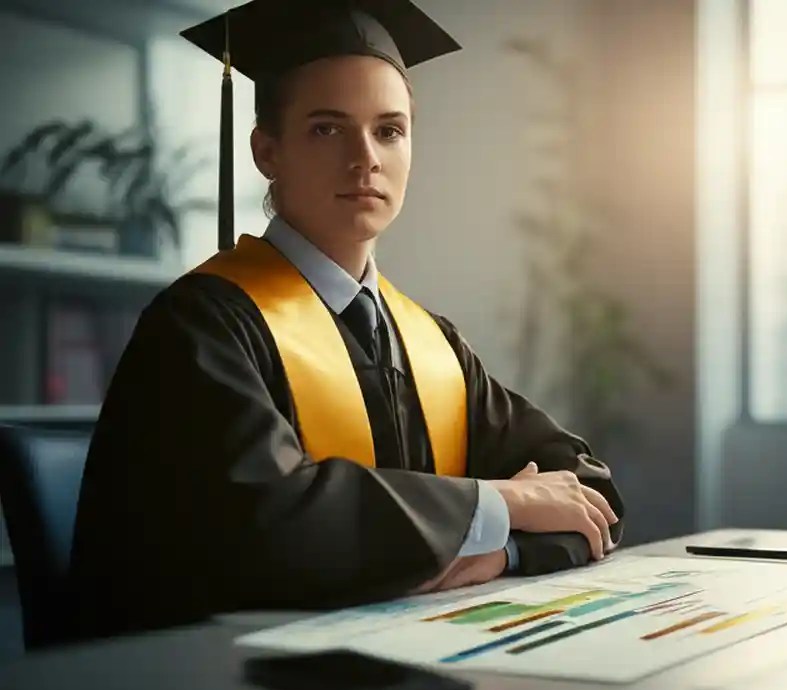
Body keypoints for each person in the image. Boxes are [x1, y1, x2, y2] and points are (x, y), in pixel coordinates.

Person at [69, 0, 624, 640]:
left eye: (390, 130)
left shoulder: (432, 343)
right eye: (328, 129)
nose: (366, 158)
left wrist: (505, 552)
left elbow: (588, 492)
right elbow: (269, 525)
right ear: (266, 150)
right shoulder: (203, 327)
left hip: (392, 665)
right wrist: (503, 502)